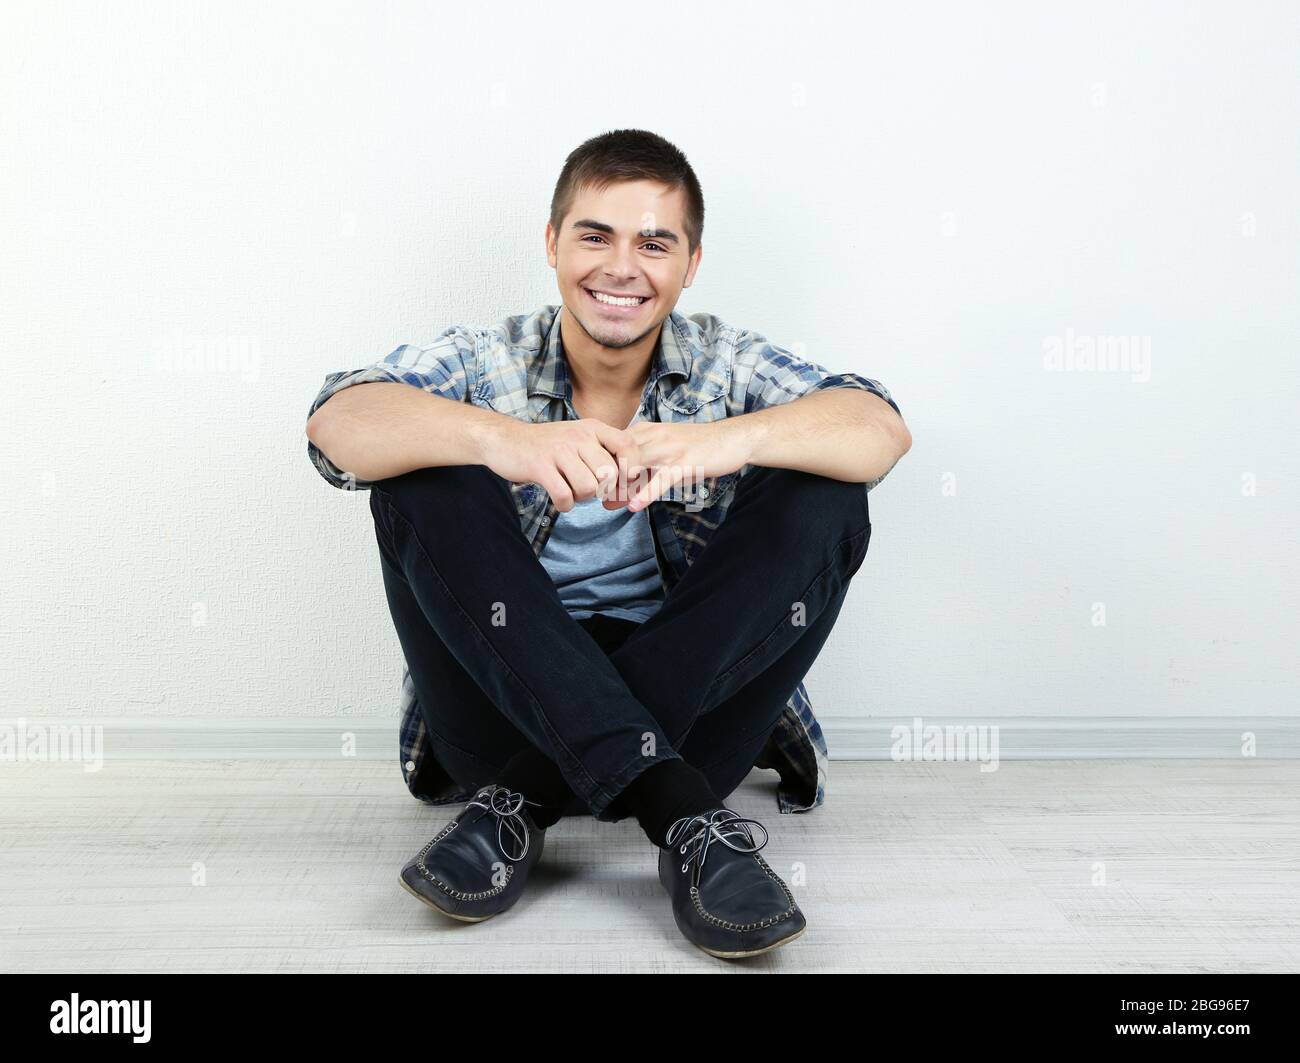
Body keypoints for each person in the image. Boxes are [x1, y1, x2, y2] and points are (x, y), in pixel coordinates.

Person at [304, 129, 911, 959]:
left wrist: (728, 441)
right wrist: (500, 441)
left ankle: (520, 807)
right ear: (554, 244)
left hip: (696, 717)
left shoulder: (724, 363)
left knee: (825, 488)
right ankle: (684, 820)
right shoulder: (490, 359)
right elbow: (339, 421)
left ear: (689, 264)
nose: (621, 267)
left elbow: (878, 428)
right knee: (424, 470)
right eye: (595, 235)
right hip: (499, 713)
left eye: (653, 243)